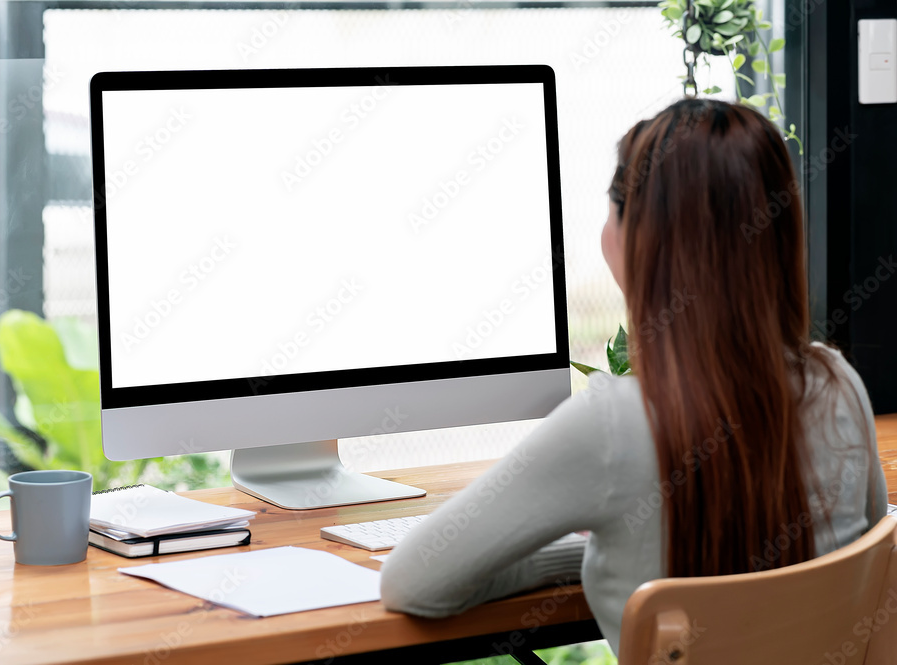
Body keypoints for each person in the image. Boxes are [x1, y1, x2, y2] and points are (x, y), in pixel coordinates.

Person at [379, 98, 888, 654]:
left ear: (643, 239)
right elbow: (865, 554)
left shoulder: (610, 426)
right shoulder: (837, 385)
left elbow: (412, 582)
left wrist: (596, 553)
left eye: (613, 211)